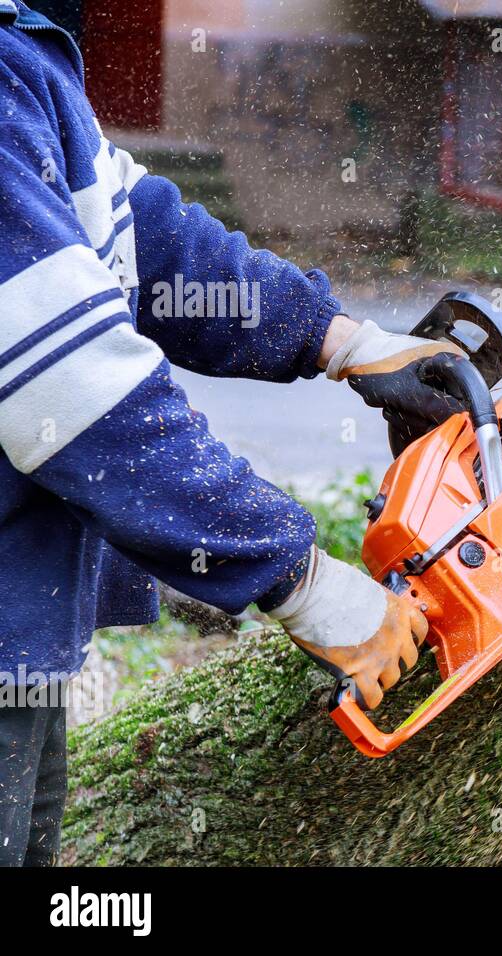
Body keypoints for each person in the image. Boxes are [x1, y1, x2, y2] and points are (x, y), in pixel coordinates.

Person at [0, 1, 451, 865]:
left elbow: (141, 237)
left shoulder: (28, 46)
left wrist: (343, 340)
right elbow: (76, 392)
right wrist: (300, 580)